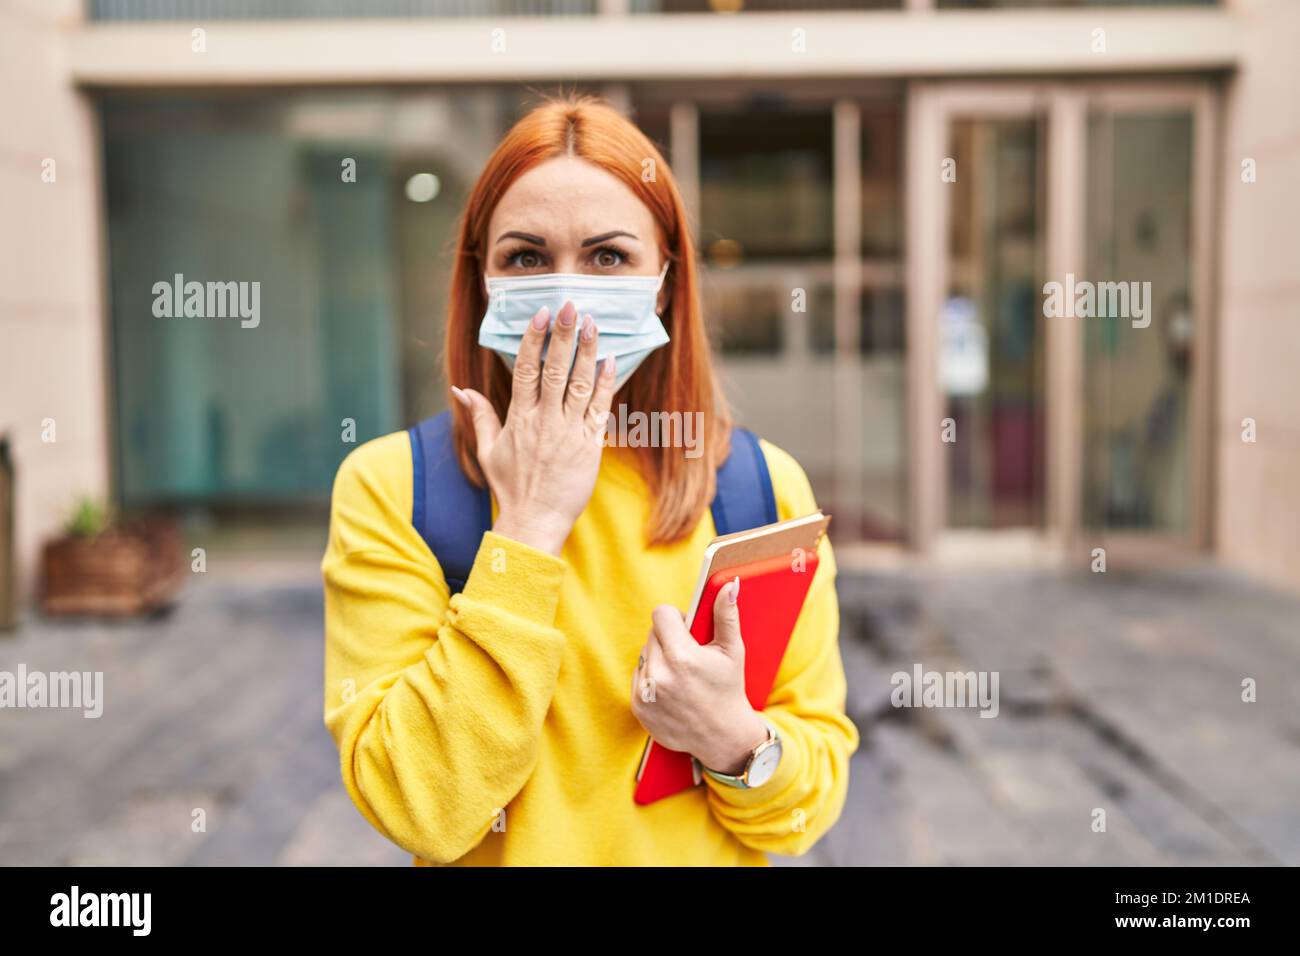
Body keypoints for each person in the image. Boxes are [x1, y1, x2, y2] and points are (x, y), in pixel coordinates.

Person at [322, 94, 858, 866]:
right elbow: (418, 806)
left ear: (666, 281)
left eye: (608, 257)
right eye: (526, 257)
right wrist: (528, 527)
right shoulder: (390, 488)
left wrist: (736, 743)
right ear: (481, 282)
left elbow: (807, 807)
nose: (568, 298)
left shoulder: (762, 488)